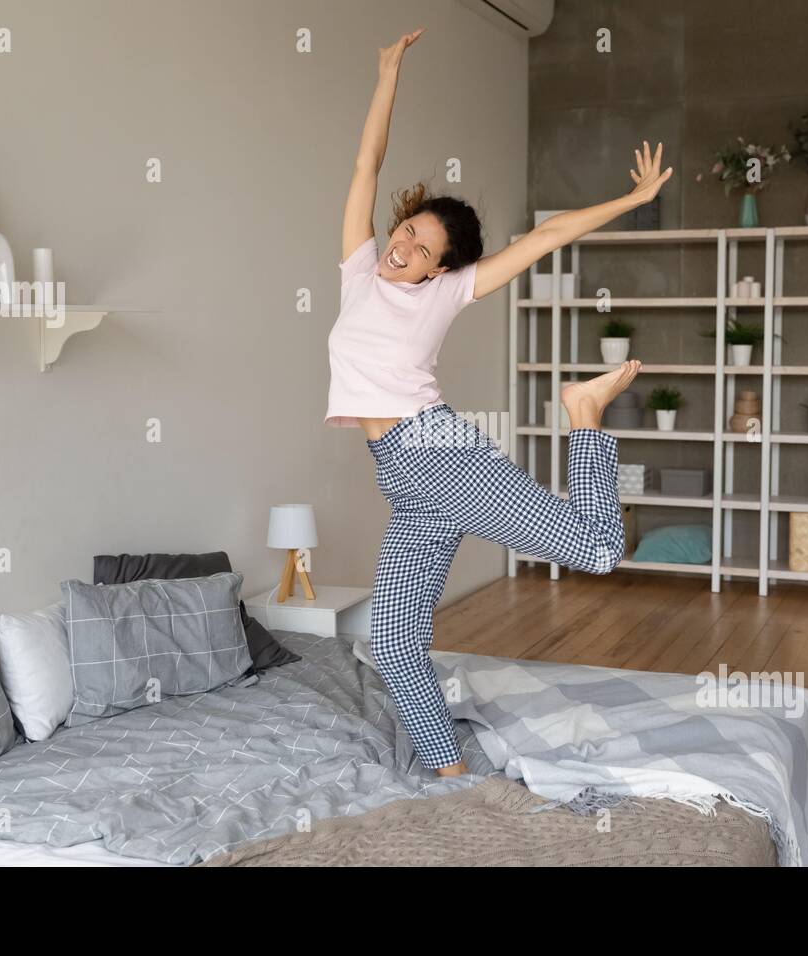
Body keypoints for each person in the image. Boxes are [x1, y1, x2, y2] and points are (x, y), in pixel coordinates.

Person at [324, 28, 671, 776]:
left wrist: (635, 199)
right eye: (407, 231)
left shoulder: (446, 293)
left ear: (441, 268)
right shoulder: (358, 271)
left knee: (599, 550)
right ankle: (448, 772)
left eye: (421, 248)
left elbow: (546, 237)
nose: (404, 247)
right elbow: (365, 163)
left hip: (442, 457)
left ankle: (584, 415)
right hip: (403, 478)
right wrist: (387, 74)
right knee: (393, 641)